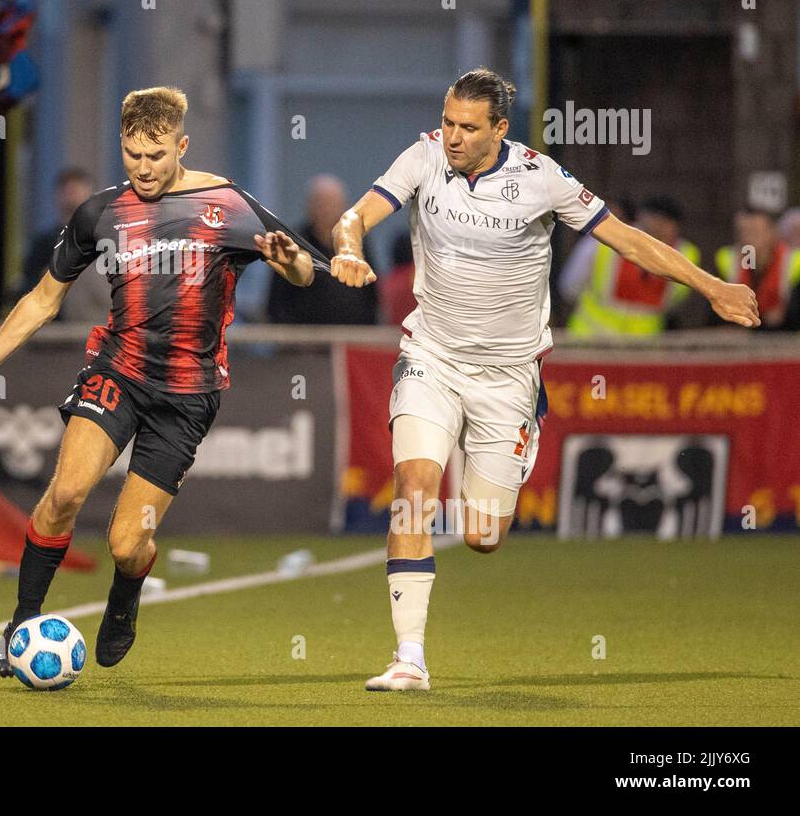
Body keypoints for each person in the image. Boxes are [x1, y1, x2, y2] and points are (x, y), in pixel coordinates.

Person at [329, 67, 758, 692]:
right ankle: (409, 658)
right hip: (433, 356)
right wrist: (348, 247)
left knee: (481, 535)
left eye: (467, 127)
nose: (452, 136)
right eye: (448, 121)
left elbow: (628, 242)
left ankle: (517, 439)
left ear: (499, 129)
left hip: (508, 376)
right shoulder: (422, 157)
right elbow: (355, 216)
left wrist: (712, 285)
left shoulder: (543, 178)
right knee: (415, 485)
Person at [0, 86, 325, 676]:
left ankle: (124, 600)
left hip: (187, 396)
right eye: (132, 153)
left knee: (126, 544)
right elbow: (42, 300)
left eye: (156, 155)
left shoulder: (227, 204)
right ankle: (19, 625)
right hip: (118, 371)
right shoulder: (100, 212)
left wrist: (287, 259)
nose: (143, 166)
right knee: (63, 495)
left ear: (181, 147)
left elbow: (304, 270)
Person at [563, 195, 701, 337]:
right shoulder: (604, 240)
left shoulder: (685, 256)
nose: (659, 226)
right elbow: (570, 287)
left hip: (643, 346)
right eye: (655, 218)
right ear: (641, 217)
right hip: (591, 338)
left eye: (666, 222)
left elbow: (674, 300)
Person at [267, 174, 377, 324]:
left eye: (332, 203)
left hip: (352, 336)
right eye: (320, 203)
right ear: (309, 206)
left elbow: (371, 293)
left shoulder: (356, 241)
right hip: (303, 339)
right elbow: (277, 299)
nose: (326, 210)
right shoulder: (293, 242)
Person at [19, 167, 108, 322]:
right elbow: (29, 286)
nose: (72, 197)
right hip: (57, 328)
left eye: (77, 191)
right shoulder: (44, 244)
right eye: (68, 192)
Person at [714, 207, 800, 330]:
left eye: (754, 232)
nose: (747, 239)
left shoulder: (794, 262)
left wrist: (784, 315)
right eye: (742, 232)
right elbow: (715, 316)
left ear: (772, 233)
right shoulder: (728, 260)